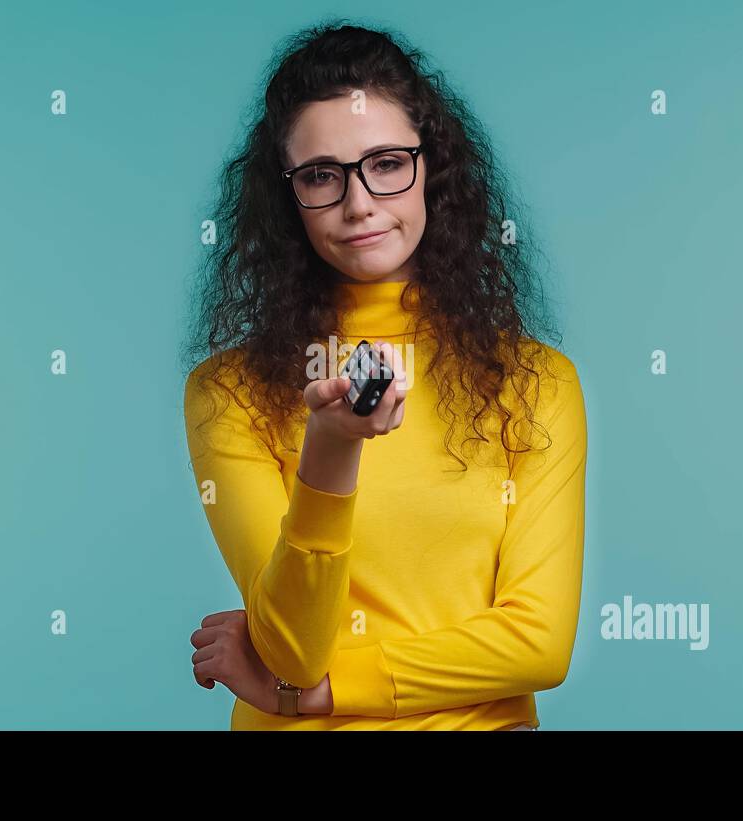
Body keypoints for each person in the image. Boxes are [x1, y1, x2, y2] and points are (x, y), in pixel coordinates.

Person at [182, 20, 586, 730]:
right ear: (288, 198)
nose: (360, 201)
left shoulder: (537, 382)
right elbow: (294, 649)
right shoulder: (229, 391)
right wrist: (331, 448)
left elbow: (539, 645)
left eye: (387, 163)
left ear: (432, 166)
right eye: (320, 175)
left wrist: (314, 695)